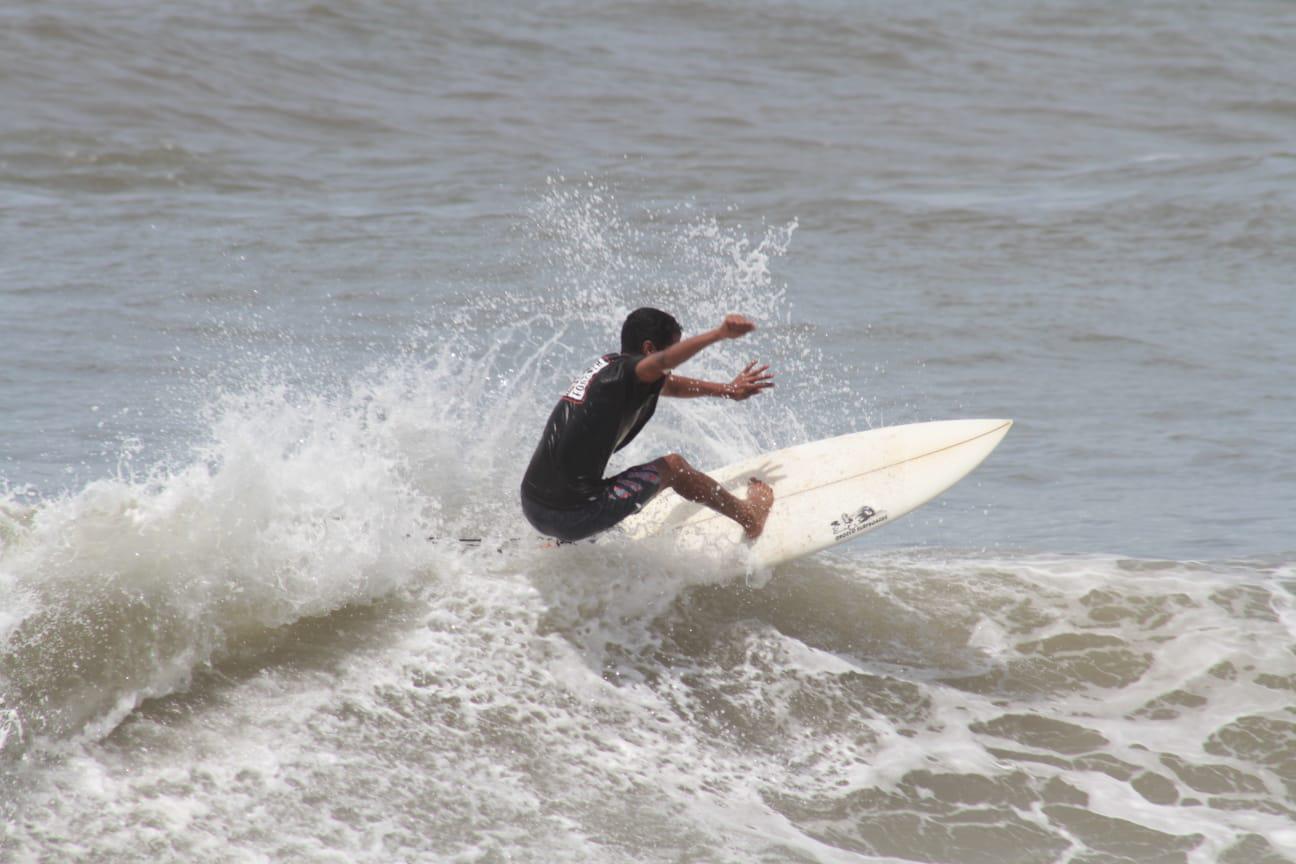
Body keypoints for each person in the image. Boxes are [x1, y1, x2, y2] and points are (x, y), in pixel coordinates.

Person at [520, 307, 776, 544]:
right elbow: (662, 363)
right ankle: (750, 517)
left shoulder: (610, 370)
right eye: (673, 349)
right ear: (649, 348)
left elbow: (669, 385)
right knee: (674, 467)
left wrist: (727, 390)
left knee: (579, 483)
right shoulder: (630, 374)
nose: (670, 367)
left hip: (532, 505)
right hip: (571, 517)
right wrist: (718, 334)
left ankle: (561, 543)